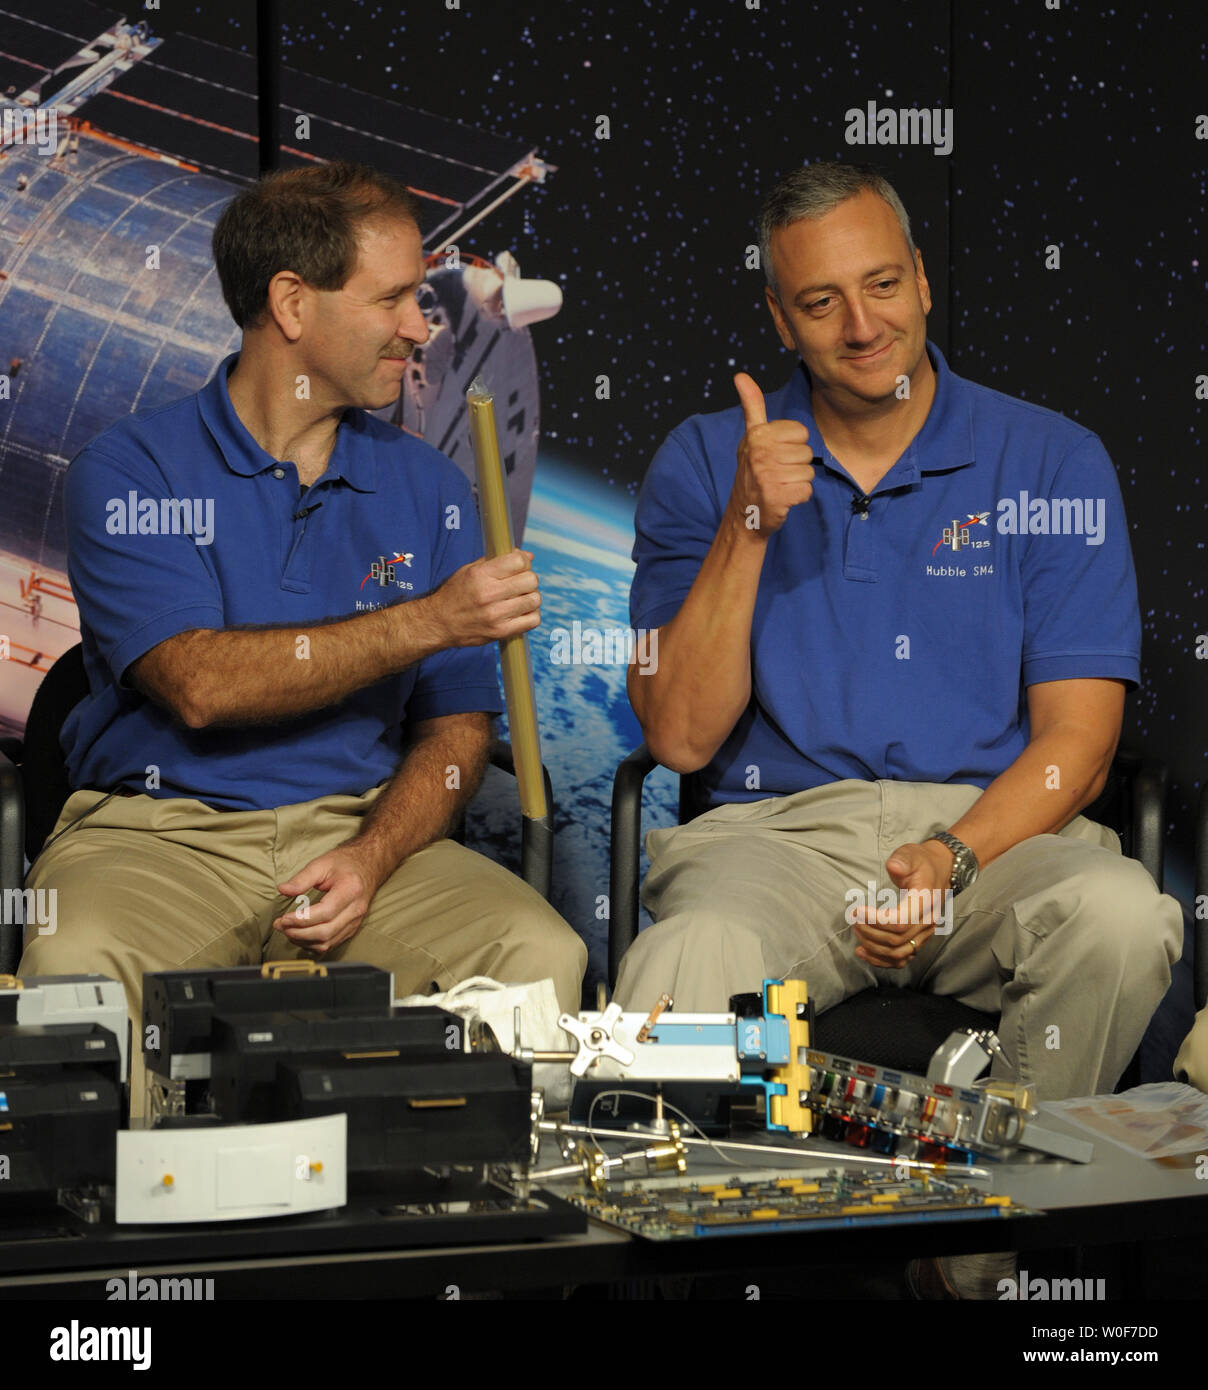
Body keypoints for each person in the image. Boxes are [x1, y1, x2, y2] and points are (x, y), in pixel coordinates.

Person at [618, 160, 1183, 1297]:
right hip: (775, 838)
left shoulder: (1051, 459)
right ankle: (699, 1274)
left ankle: (967, 1253)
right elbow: (676, 733)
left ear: (922, 282)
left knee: (1123, 918)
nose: (860, 324)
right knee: (678, 965)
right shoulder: (700, 460)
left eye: (881, 285)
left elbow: (1078, 735)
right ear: (777, 317)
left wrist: (951, 855)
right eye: (820, 302)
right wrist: (746, 520)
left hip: (992, 838)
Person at [19, 162, 586, 1114]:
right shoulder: (131, 471)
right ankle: (117, 1240)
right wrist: (430, 617)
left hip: (358, 832)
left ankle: (468, 1246)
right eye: (395, 298)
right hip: (162, 839)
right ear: (291, 304)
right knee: (77, 968)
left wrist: (371, 857)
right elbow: (198, 683)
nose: (420, 325)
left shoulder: (434, 491)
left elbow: (454, 735)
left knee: (540, 954)